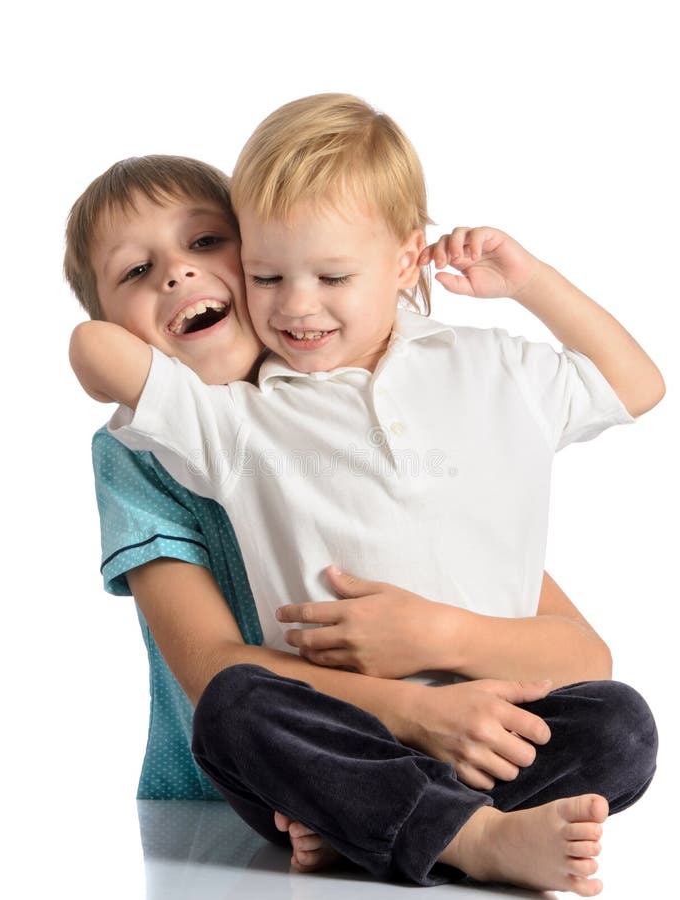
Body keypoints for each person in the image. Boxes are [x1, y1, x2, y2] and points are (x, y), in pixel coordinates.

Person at [66, 91, 661, 890]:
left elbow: (580, 650)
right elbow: (213, 672)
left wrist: (434, 637)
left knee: (619, 726)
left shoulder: (447, 380)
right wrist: (417, 711)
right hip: (284, 766)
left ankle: (377, 828)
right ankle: (464, 836)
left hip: (460, 736)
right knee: (239, 707)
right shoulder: (212, 431)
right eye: (137, 271)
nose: (178, 271)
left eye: (207, 242)